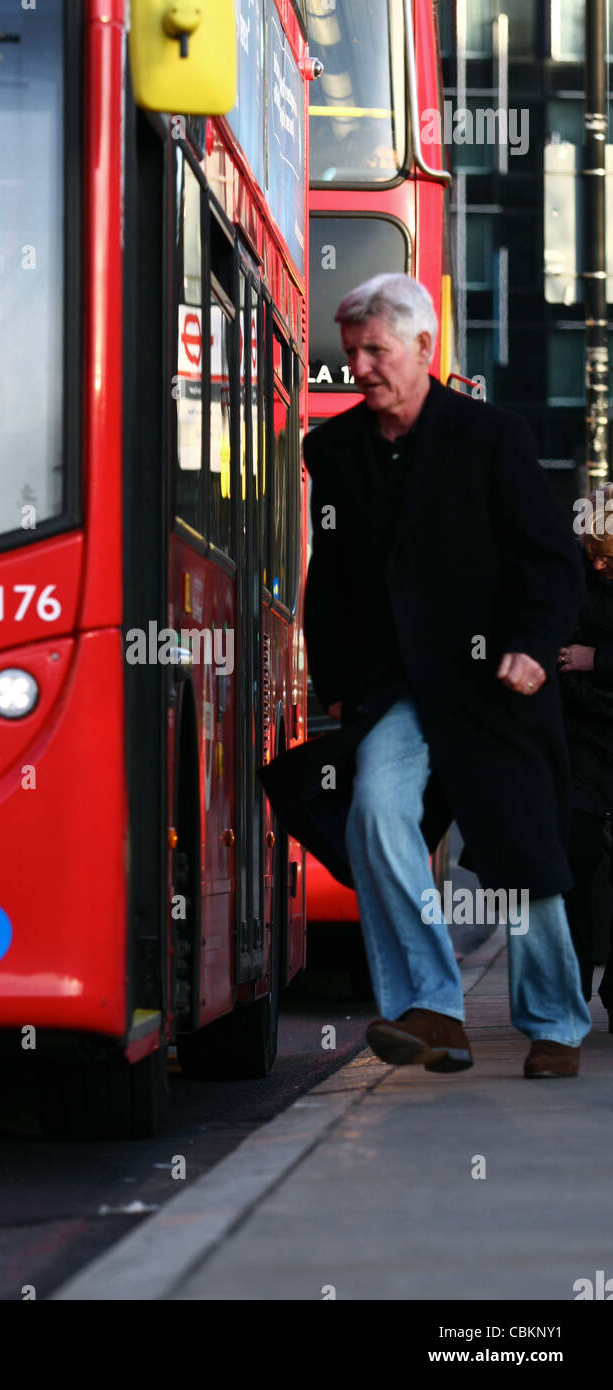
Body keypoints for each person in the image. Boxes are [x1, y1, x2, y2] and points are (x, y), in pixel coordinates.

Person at [281, 272, 591, 1079]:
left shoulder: (493, 437)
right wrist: (340, 681)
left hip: (497, 680)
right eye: (350, 353)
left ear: (424, 347)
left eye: (376, 351)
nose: (360, 367)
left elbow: (553, 562)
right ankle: (434, 1009)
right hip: (401, 684)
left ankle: (555, 1024)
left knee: (521, 855)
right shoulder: (333, 449)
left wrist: (532, 645)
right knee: (373, 812)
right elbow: (335, 575)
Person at [558, 490, 613, 1027]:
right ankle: (570, 993)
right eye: (593, 551)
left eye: (609, 556)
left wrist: (596, 661)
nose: (599, 563)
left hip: (589, 721)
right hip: (579, 740)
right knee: (574, 860)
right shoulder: (571, 578)